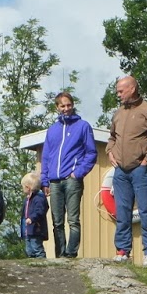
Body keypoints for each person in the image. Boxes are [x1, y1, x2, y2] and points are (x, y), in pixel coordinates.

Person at [107, 75, 147, 264]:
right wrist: (109, 152)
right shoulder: (118, 113)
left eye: (121, 91)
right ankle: (123, 251)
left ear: (132, 89)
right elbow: (112, 137)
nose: (118, 94)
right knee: (122, 212)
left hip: (141, 169)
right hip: (120, 171)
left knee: (146, 211)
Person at [40, 91, 96, 258]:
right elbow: (46, 156)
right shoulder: (52, 130)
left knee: (73, 220)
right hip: (54, 182)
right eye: (62, 106)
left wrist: (77, 173)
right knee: (57, 221)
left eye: (69, 105)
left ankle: (71, 253)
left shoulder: (83, 126)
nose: (66, 108)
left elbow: (91, 153)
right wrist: (45, 180)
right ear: (57, 107)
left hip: (72, 180)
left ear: (73, 105)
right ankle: (60, 254)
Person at [20, 171, 49, 258]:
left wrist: (32, 218)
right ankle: (32, 264)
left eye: (23, 187)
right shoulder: (27, 199)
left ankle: (42, 263)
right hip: (28, 230)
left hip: (36, 229)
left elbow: (40, 211)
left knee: (36, 248)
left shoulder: (38, 198)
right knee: (29, 250)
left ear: (28, 187)